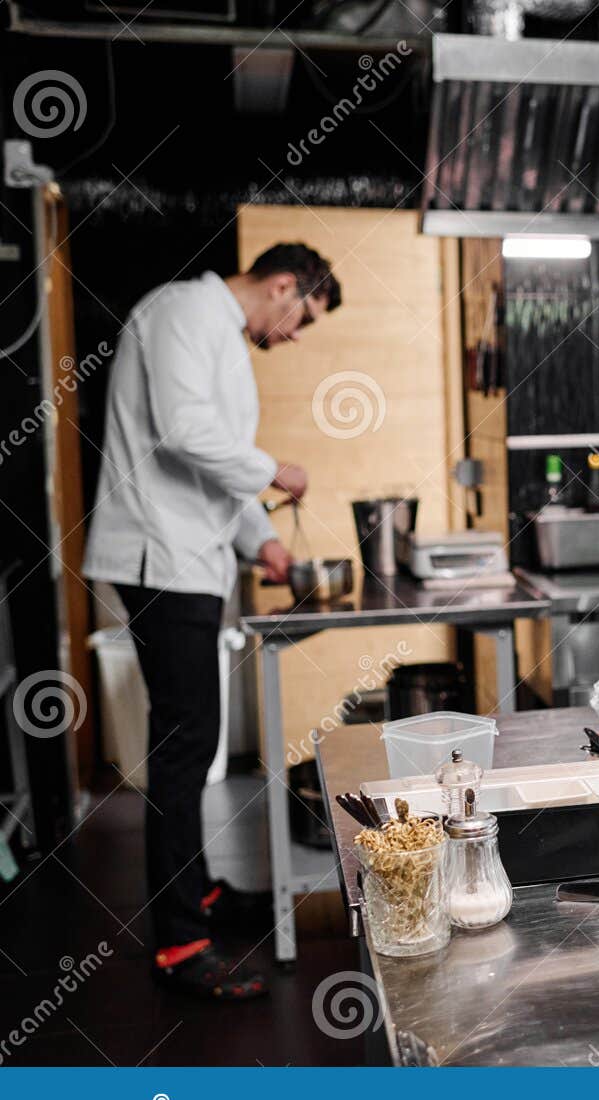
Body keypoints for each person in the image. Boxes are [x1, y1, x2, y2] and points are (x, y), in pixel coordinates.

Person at [82, 243, 342, 997]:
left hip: (188, 555)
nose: (294, 332)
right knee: (184, 743)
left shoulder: (213, 329)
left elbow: (206, 471)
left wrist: (260, 540)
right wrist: (273, 470)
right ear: (284, 284)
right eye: (303, 316)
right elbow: (185, 435)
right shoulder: (187, 312)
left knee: (194, 739)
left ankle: (199, 894)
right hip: (158, 560)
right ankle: (180, 941)